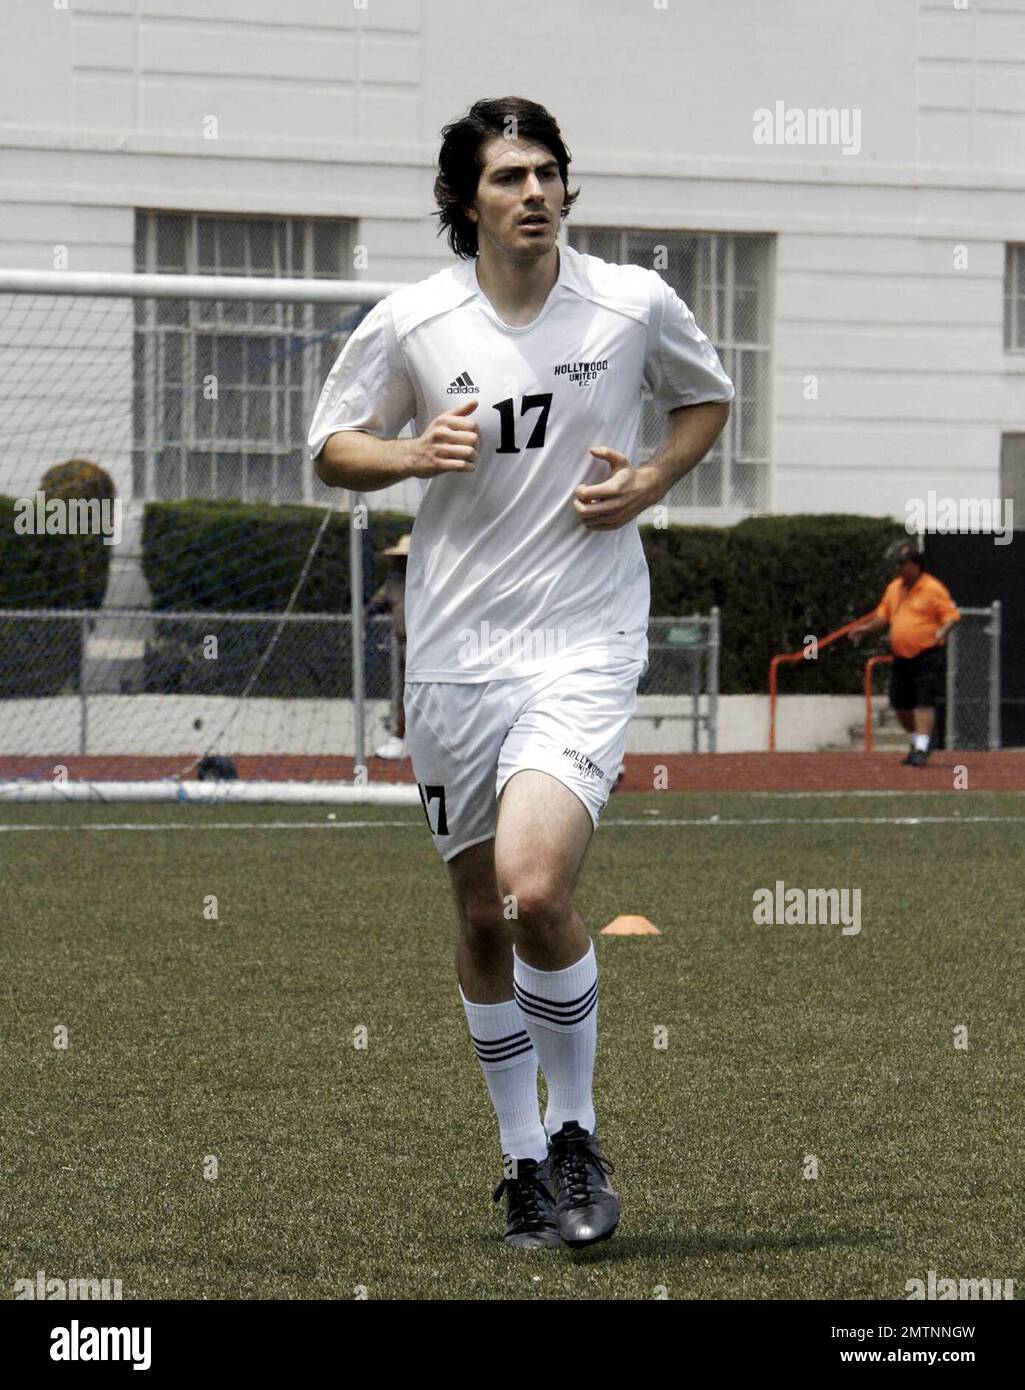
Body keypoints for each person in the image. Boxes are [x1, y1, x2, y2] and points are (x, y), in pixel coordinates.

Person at [308, 96, 733, 1249]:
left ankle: (578, 1131)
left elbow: (705, 400)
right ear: (463, 201)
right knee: (479, 915)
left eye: (547, 172)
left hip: (582, 642)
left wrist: (647, 482)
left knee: (534, 888)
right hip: (453, 657)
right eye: (508, 177)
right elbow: (331, 445)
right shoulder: (414, 319)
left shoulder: (631, 301)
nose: (535, 192)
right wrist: (408, 451)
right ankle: (519, 1162)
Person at [849, 543, 960, 766]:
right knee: (900, 704)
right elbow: (884, 615)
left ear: (915, 565)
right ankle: (919, 740)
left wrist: (943, 630)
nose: (899, 569)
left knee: (923, 702)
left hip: (927, 654)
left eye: (902, 564)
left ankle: (921, 748)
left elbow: (951, 615)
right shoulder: (894, 588)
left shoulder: (932, 588)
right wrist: (866, 629)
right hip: (902, 657)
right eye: (897, 565)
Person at [367, 533, 410, 758]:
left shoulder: (431, 580)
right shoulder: (393, 585)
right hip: (406, 645)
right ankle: (398, 739)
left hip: (433, 646)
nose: (401, 563)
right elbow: (376, 603)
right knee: (406, 693)